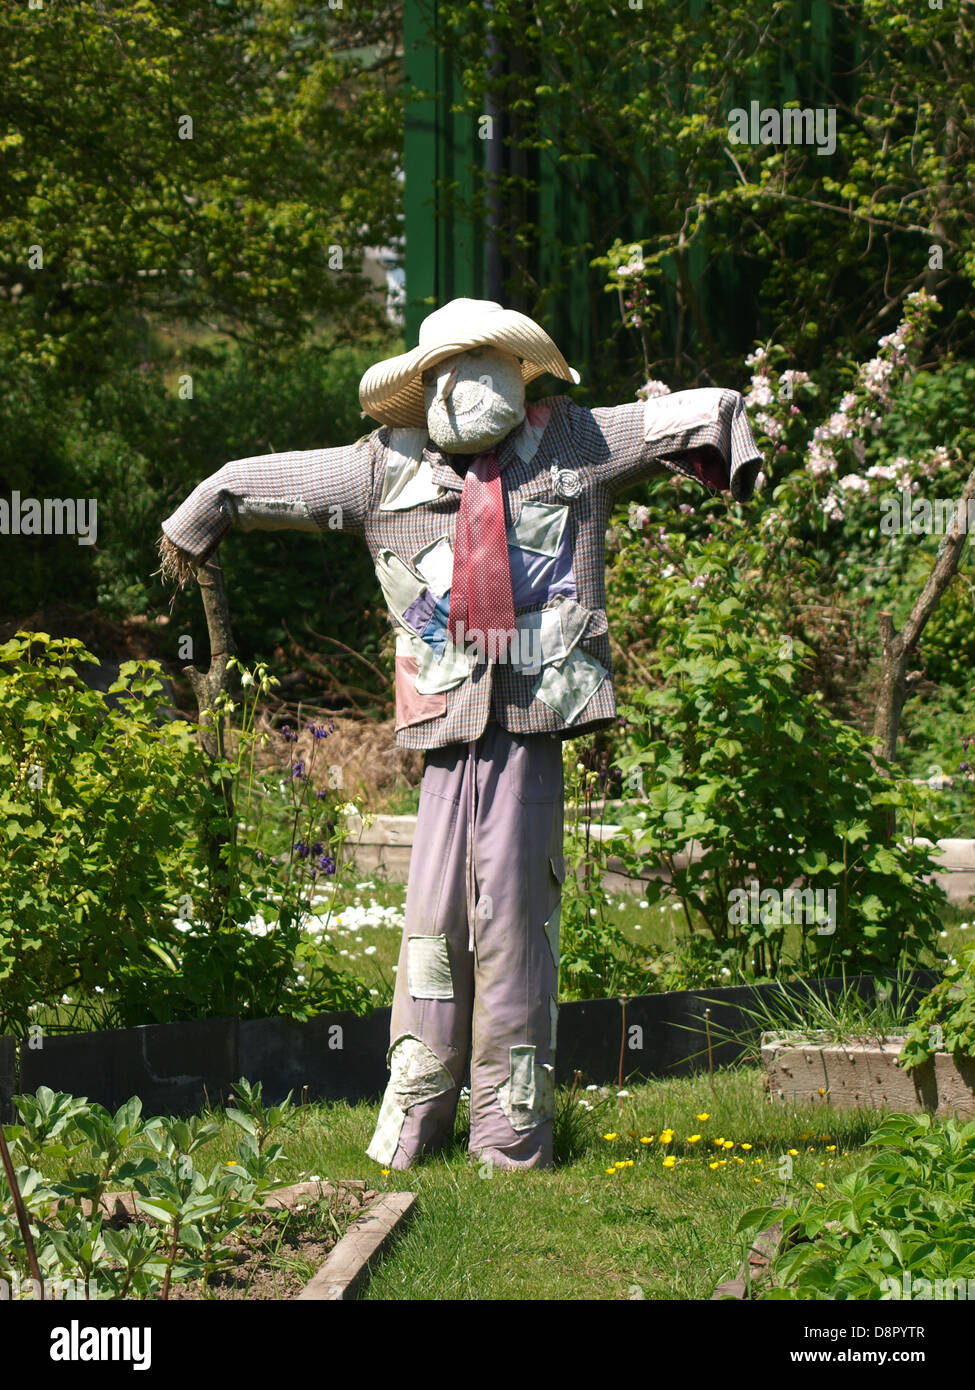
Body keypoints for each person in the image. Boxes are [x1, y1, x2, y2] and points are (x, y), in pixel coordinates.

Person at [158, 297, 764, 1171]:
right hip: (445, 720)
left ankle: (511, 1134)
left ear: (519, 375)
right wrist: (203, 511)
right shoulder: (385, 468)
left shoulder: (574, 442)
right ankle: (416, 1118)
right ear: (426, 387)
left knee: (516, 920)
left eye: (482, 366)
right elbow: (272, 480)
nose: (465, 387)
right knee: (431, 926)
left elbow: (696, 412)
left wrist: (735, 456)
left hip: (533, 711)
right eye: (449, 370)